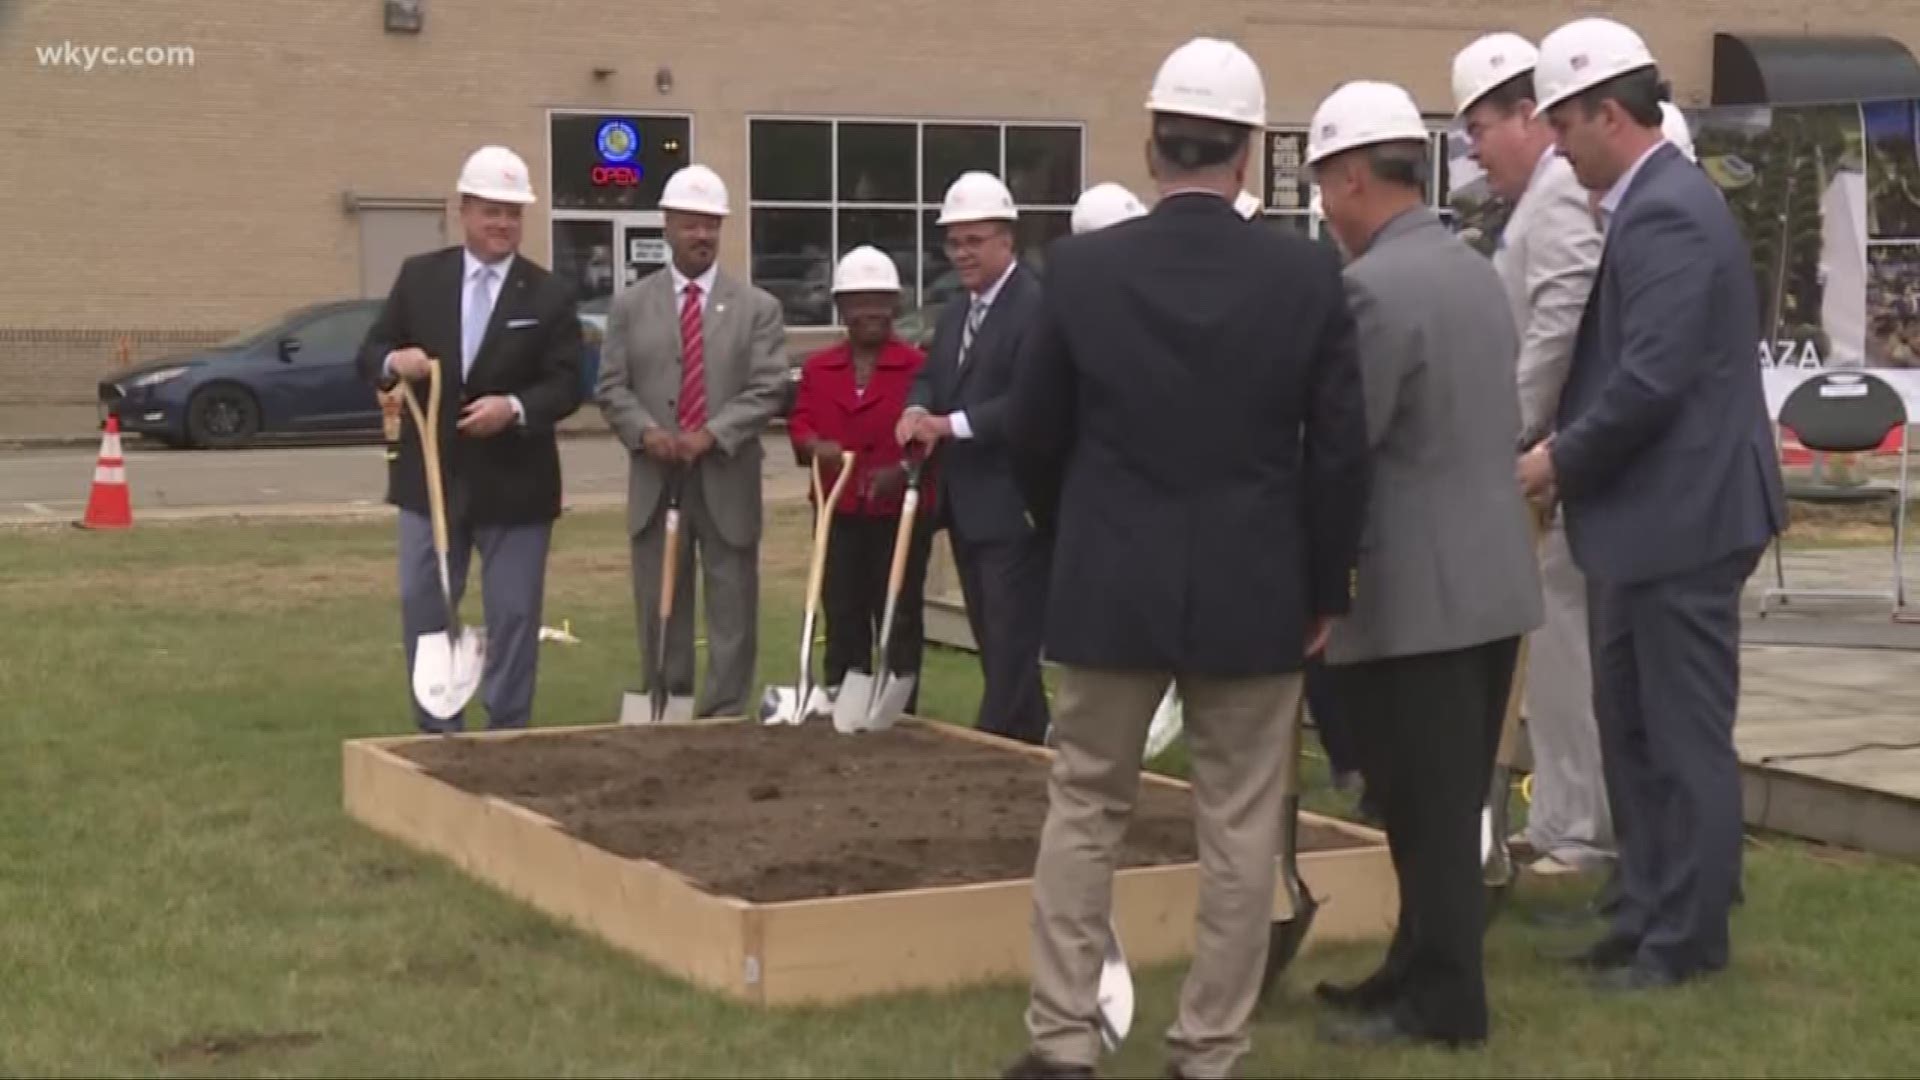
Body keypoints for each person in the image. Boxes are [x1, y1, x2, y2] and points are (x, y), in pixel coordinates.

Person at [1000, 37, 1370, 1080]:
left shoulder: (1082, 270)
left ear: (1154, 145)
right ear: (1247, 153)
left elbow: (1032, 431)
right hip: (1256, 586)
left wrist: (1070, 534)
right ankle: (1209, 1048)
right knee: (1240, 826)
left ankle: (1062, 1041)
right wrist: (1326, 583)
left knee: (1085, 808)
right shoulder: (1305, 273)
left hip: (1111, 578)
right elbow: (1340, 449)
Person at [1523, 16, 1785, 991]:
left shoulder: (1667, 210)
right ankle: (1643, 910)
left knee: (1679, 737)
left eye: (1563, 125)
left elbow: (1651, 378)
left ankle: (1687, 937)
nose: (1557, 146)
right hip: (1651, 519)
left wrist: (1557, 460)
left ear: (1609, 113)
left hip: (1685, 520)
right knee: (1633, 730)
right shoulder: (1649, 205)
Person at [1306, 80, 1543, 1050]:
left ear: (1353, 178)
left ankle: (1445, 1005)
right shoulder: (1470, 269)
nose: (1324, 209)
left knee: (1427, 813)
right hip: (1487, 584)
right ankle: (1412, 970)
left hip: (1418, 596)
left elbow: (1343, 442)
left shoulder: (1372, 290)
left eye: (1323, 186)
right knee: (1440, 804)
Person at [1452, 31, 1613, 879]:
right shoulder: (1540, 200)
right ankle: (1559, 816)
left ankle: (1579, 826)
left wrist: (1520, 432)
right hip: (1554, 454)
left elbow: (1561, 319)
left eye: (1480, 129)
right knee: (1551, 645)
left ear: (1527, 115)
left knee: (1562, 644)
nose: (1474, 151)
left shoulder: (1556, 199)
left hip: (1556, 460)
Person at [357, 144, 584, 733]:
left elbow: (567, 383)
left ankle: (506, 731)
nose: (503, 223)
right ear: (465, 211)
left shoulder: (548, 294)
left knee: (513, 614)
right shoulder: (420, 278)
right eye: (491, 211)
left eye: (512, 213)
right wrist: (394, 360)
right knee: (424, 603)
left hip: (516, 485)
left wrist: (514, 408)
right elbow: (371, 351)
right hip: (431, 481)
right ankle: (438, 728)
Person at [595, 163, 790, 719]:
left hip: (726, 478)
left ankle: (724, 713)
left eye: (711, 225)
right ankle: (667, 705)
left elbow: (768, 387)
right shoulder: (630, 306)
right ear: (667, 225)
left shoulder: (758, 308)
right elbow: (611, 386)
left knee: (733, 604)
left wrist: (713, 434)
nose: (702, 235)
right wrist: (645, 432)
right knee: (660, 603)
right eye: (690, 224)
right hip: (657, 482)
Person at [895, 171, 1052, 746]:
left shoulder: (1035, 307)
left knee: (1009, 636)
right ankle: (1030, 736)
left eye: (974, 241)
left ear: (1006, 239)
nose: (962, 253)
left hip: (1014, 503)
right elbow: (932, 376)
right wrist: (917, 409)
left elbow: (1031, 402)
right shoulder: (958, 311)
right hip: (965, 503)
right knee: (992, 633)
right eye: (954, 242)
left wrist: (951, 426)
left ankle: (994, 742)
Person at [786, 246, 935, 713]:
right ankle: (841, 700)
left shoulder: (918, 367)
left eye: (880, 300)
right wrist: (814, 445)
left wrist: (903, 470)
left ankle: (898, 710)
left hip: (898, 515)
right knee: (842, 609)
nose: (870, 311)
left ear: (896, 305)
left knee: (898, 611)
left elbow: (931, 432)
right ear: (840, 307)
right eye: (858, 301)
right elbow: (801, 422)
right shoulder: (819, 368)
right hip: (838, 509)